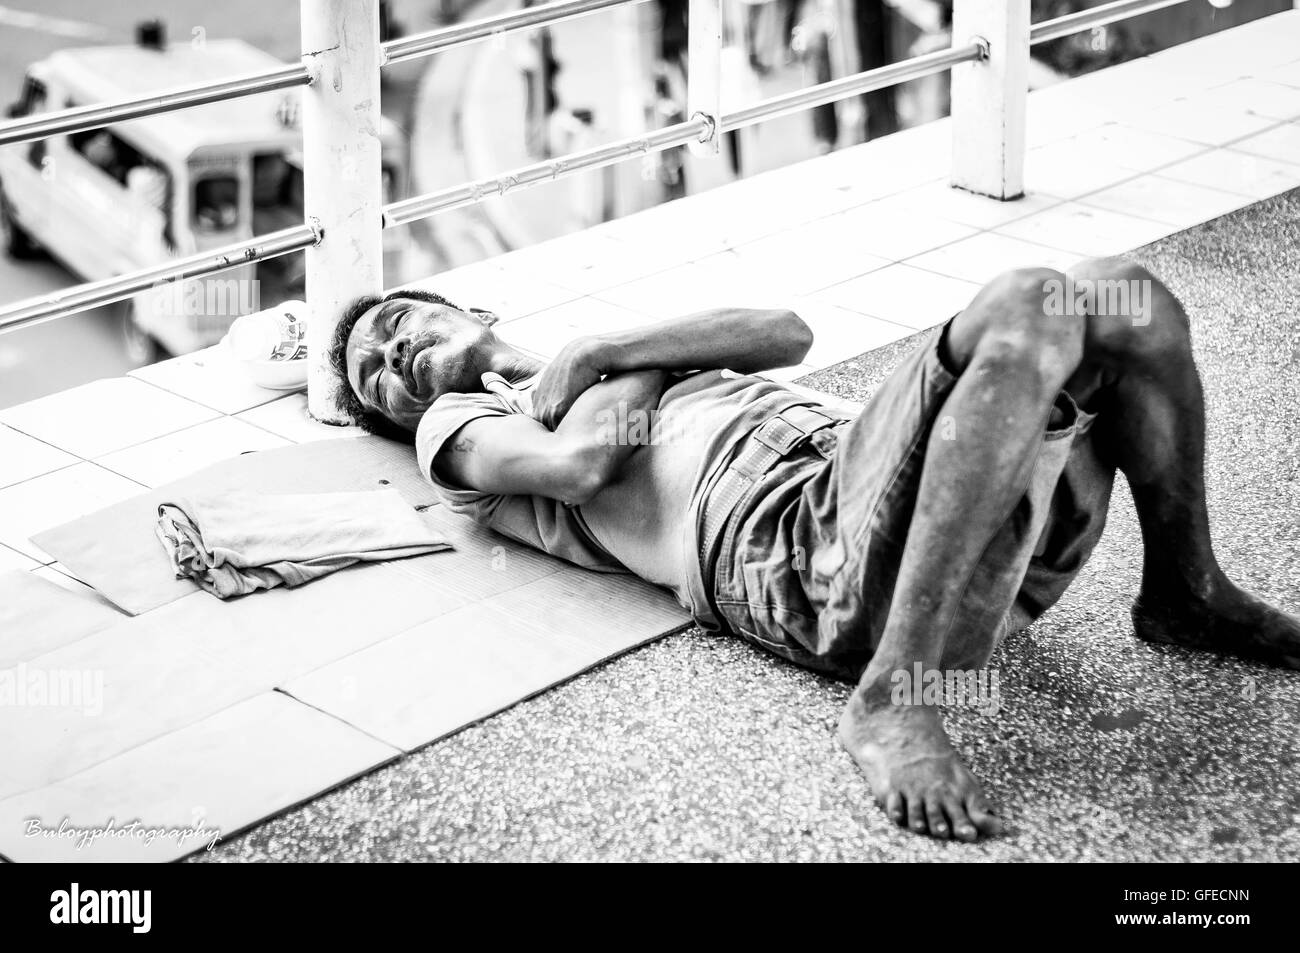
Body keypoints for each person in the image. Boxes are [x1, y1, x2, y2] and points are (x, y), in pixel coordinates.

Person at [330, 260, 1300, 841]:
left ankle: (1184, 588)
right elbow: (584, 461)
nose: (388, 359)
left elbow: (784, 332)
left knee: (1120, 295)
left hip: (911, 510)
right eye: (371, 375)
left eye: (392, 325)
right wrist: (628, 362)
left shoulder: (587, 352)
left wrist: (598, 346)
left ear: (463, 307)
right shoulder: (457, 424)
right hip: (799, 548)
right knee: (1024, 301)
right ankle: (892, 696)